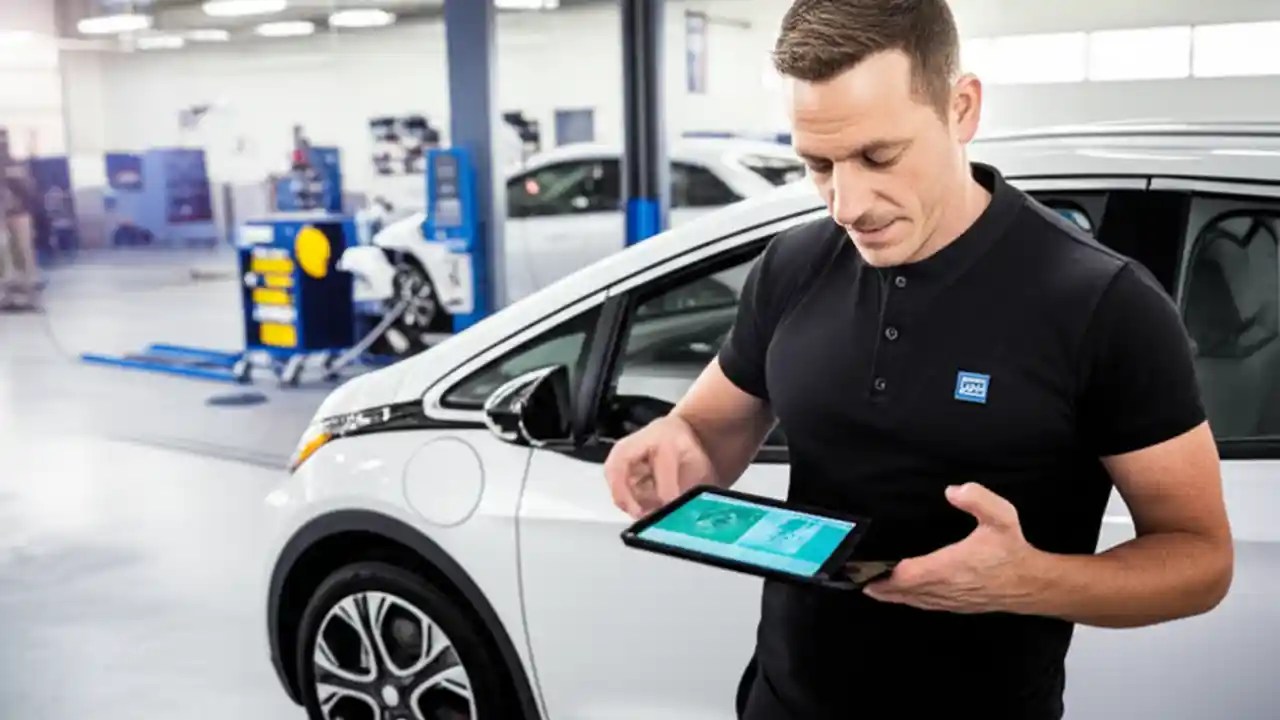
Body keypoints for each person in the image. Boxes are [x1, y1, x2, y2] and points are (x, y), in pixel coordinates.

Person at [603, 1, 1234, 718]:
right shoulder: (794, 265)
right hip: (780, 701)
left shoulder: (1103, 305)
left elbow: (1200, 561)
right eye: (818, 165)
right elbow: (711, 429)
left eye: (879, 156)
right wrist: (672, 444)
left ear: (961, 108)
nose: (846, 204)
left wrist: (1028, 582)